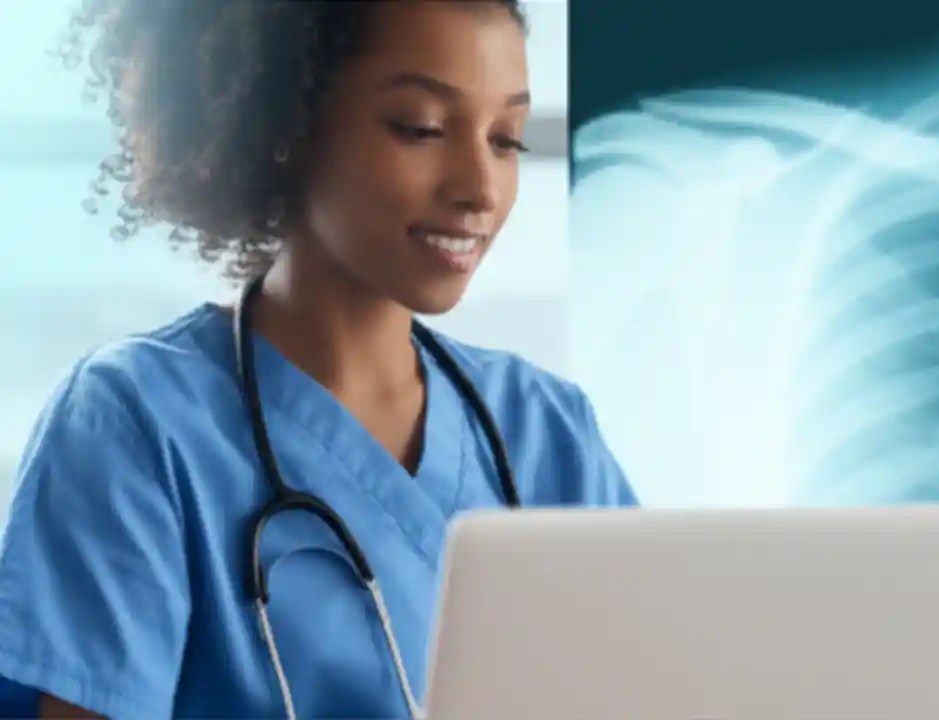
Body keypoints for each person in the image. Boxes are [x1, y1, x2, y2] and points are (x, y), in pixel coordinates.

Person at [0, 1, 638, 717]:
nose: (480, 189)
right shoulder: (136, 423)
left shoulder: (547, 430)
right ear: (286, 127)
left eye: (506, 140)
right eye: (420, 128)